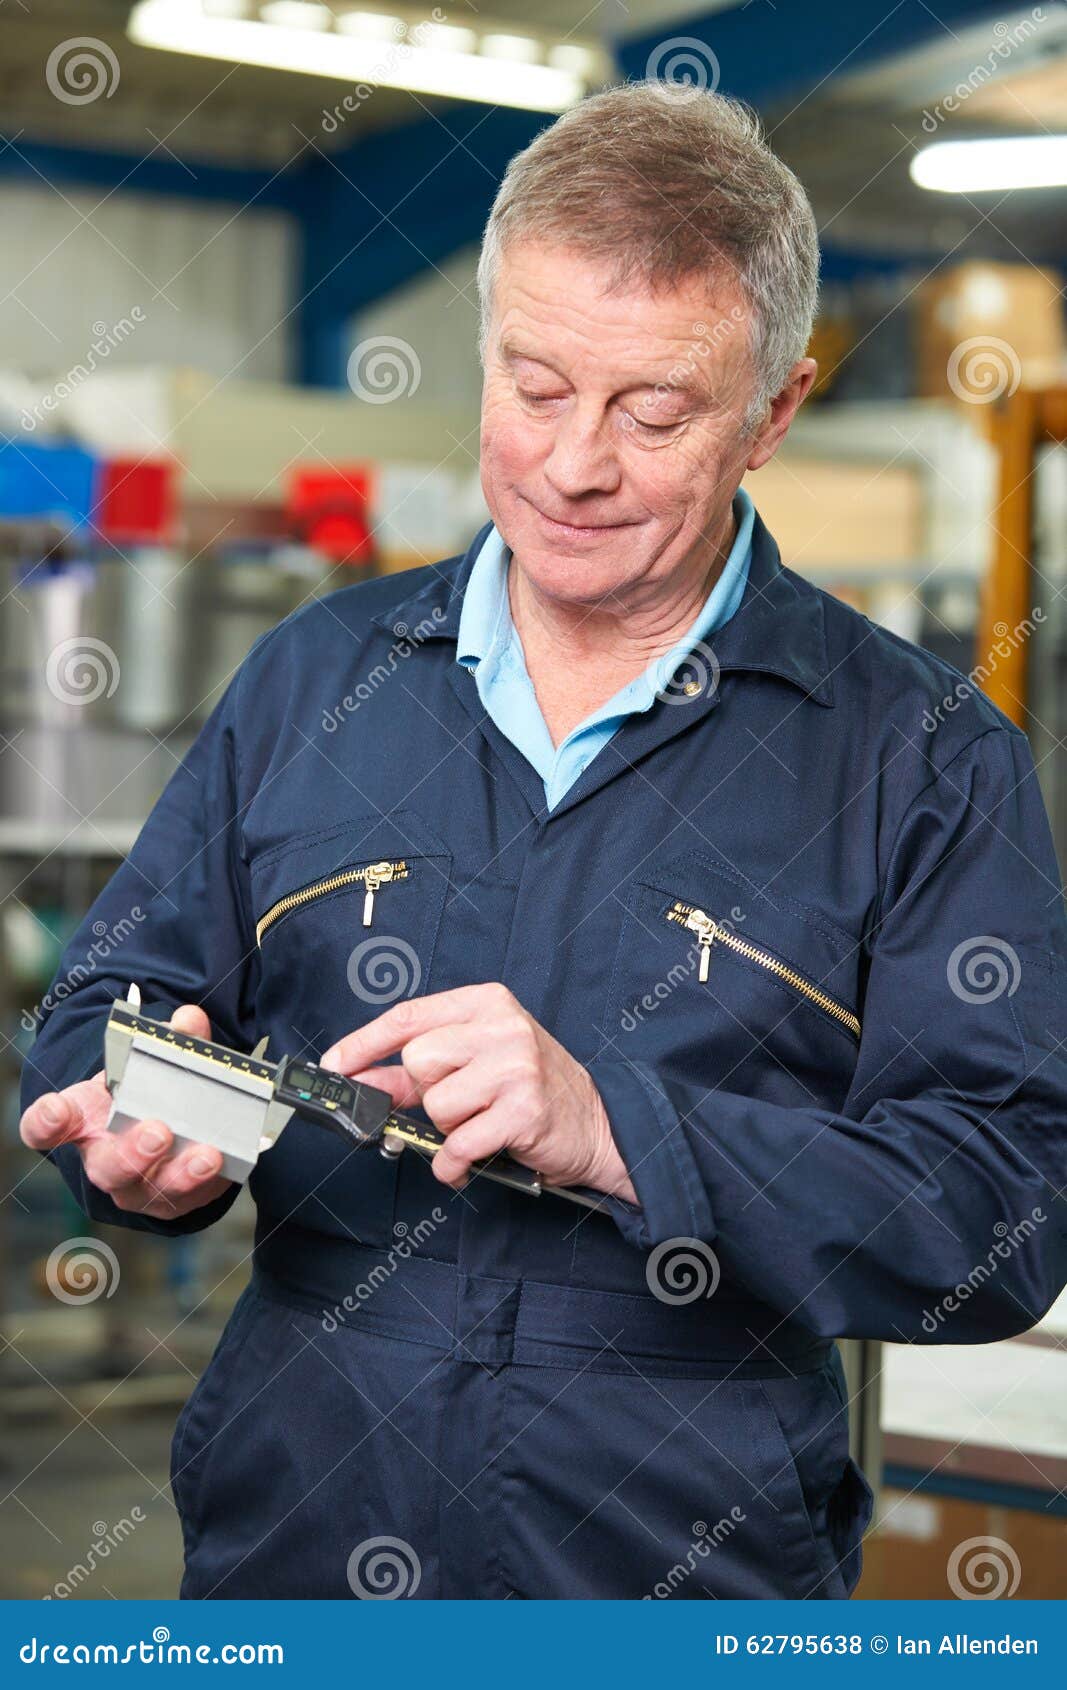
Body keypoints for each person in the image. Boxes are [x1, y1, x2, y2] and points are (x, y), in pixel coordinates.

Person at [19, 82, 1067, 1601]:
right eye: (533, 385)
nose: (574, 464)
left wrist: (624, 1131)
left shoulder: (917, 756)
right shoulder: (320, 678)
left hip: (671, 1585)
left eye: (653, 414)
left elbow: (1005, 1204)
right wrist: (134, 1136)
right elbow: (98, 1007)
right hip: (291, 1559)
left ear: (774, 412)